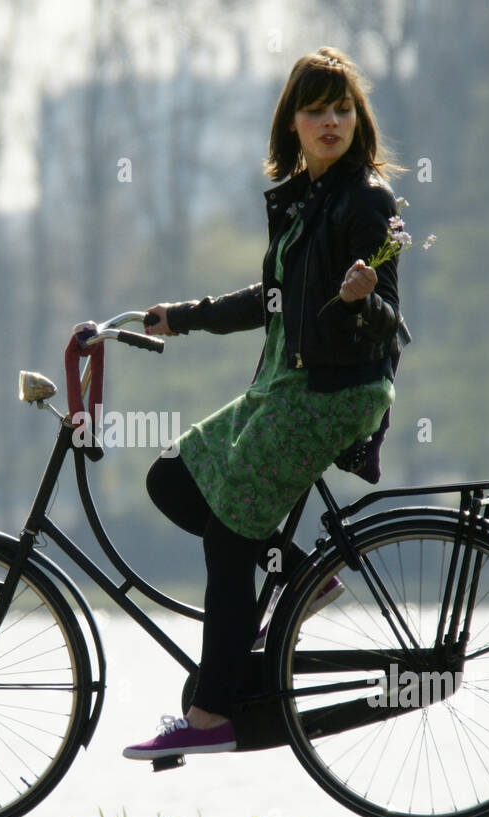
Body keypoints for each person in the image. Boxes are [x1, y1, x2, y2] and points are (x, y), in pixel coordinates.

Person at [123, 47, 411, 759]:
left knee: (228, 537)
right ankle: (300, 576)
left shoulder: (366, 200)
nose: (331, 120)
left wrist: (362, 297)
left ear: (357, 119)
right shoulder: (302, 199)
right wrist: (182, 317)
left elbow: (392, 324)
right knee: (171, 478)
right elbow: (272, 300)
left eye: (343, 108)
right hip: (284, 385)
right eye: (316, 109)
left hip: (338, 391)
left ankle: (211, 713)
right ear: (293, 122)